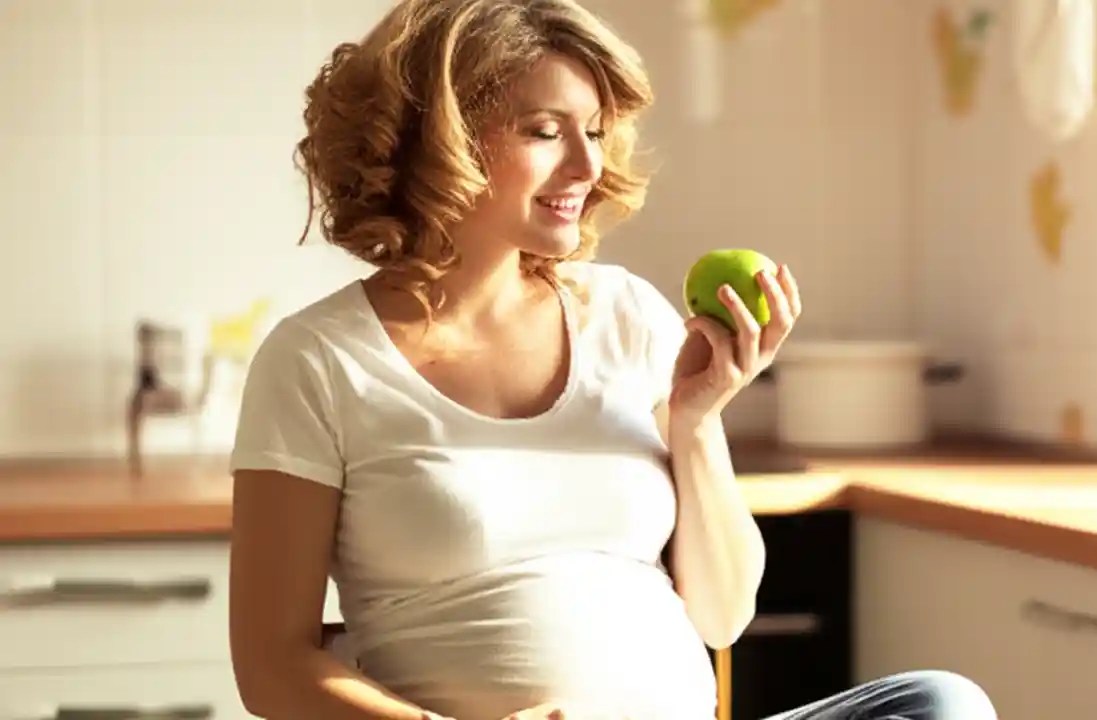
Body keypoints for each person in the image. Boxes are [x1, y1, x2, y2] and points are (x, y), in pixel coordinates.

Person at [226, 1, 998, 719]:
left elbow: (723, 616)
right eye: (543, 129)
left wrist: (696, 423)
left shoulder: (625, 314)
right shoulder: (318, 360)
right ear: (439, 140)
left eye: (593, 131)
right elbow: (271, 665)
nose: (587, 166)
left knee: (940, 704)